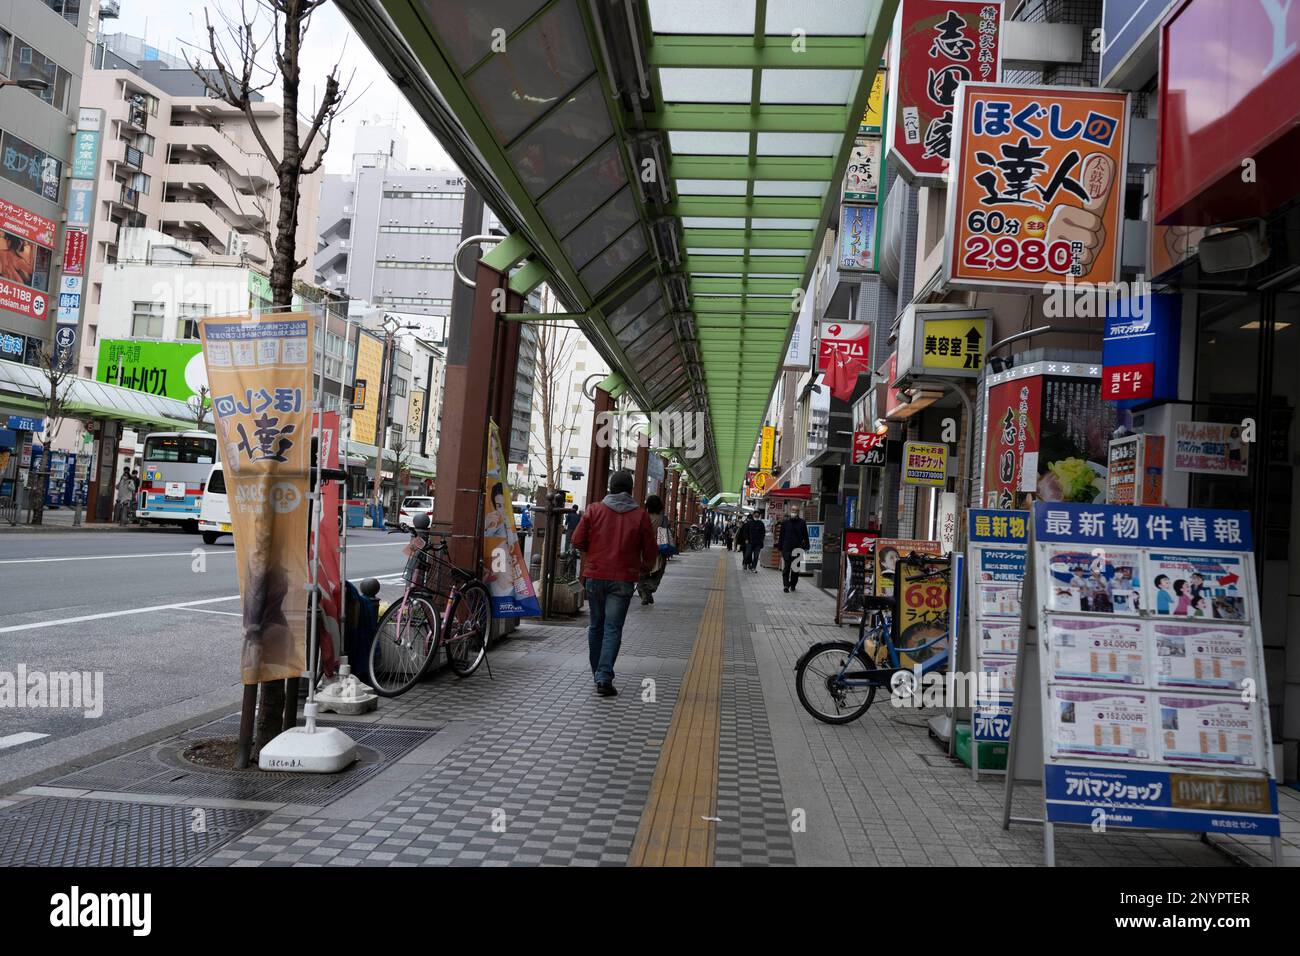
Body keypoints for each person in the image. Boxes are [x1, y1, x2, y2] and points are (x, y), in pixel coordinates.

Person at [571, 470, 657, 697]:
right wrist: (643, 568)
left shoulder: (594, 510)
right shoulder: (640, 516)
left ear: (610, 488)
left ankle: (597, 673)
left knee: (596, 626)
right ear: (630, 490)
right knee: (612, 628)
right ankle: (604, 676)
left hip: (596, 576)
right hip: (623, 580)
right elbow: (650, 551)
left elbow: (577, 540)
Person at [637, 494, 668, 606]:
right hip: (658, 549)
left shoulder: (643, 516)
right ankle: (648, 590)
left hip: (644, 549)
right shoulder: (662, 518)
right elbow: (664, 535)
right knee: (658, 571)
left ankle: (641, 589)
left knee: (643, 572)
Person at [778, 505, 810, 593]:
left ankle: (792, 584)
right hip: (787, 548)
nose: (793, 511)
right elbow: (781, 536)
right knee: (787, 568)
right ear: (790, 510)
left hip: (797, 549)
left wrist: (806, 546)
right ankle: (786, 585)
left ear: (798, 512)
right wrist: (780, 547)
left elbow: (805, 535)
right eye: (792, 510)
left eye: (795, 510)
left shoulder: (802, 522)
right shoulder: (785, 522)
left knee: (795, 570)